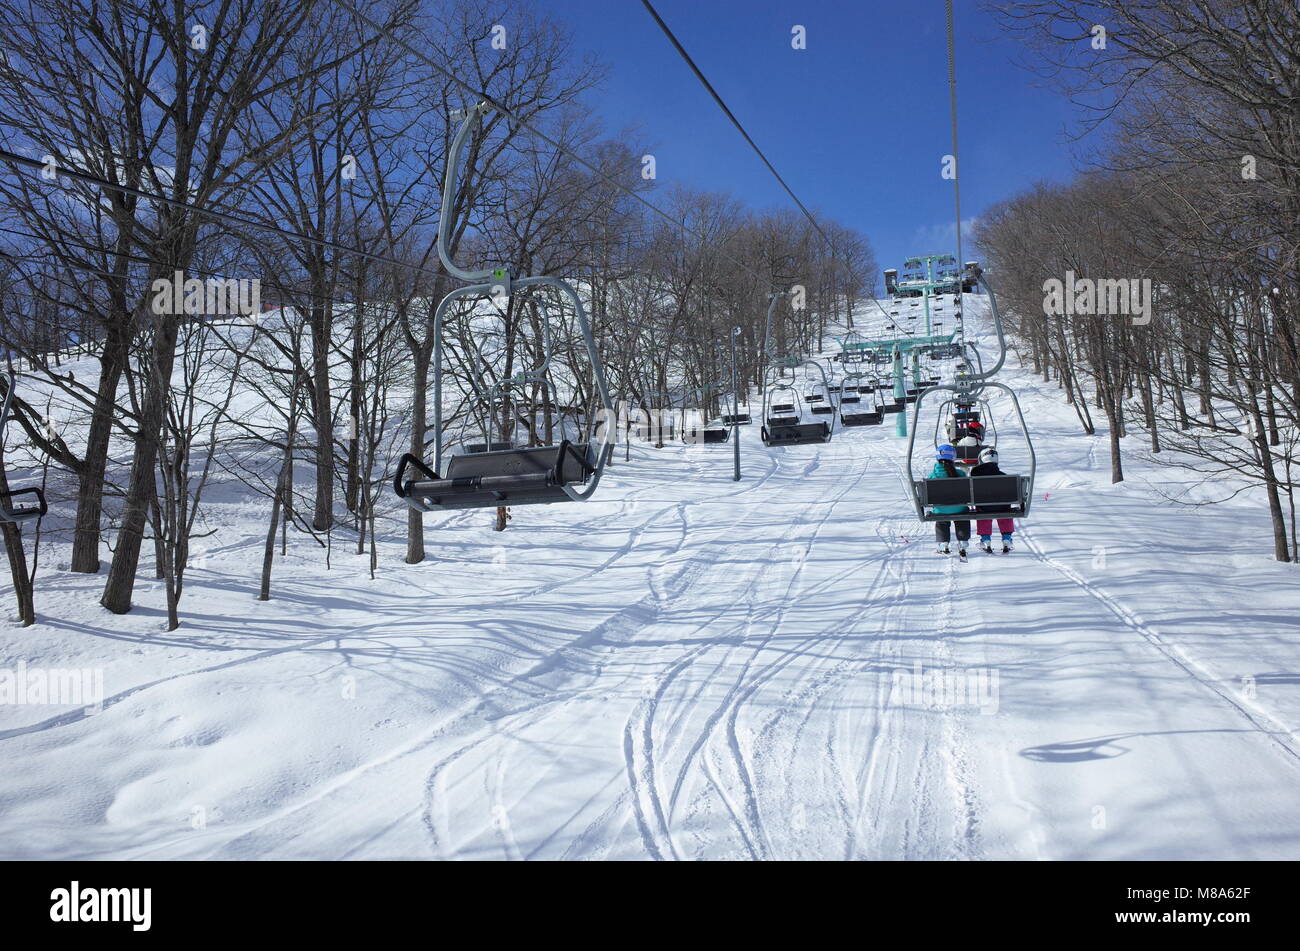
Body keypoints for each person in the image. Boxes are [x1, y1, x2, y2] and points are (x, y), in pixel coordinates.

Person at [929, 444, 971, 557]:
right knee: (961, 516)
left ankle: (944, 543)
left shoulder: (933, 476)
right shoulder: (960, 474)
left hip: (941, 510)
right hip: (960, 509)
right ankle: (963, 542)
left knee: (941, 519)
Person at [971, 447, 1015, 553]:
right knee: (1005, 508)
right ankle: (1006, 539)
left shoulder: (975, 476)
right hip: (1003, 508)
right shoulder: (1004, 477)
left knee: (982, 509)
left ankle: (986, 540)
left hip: (984, 508)